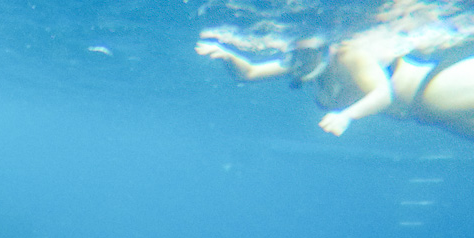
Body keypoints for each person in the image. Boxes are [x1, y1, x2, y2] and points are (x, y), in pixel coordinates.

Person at [196, 31, 474, 141]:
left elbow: (383, 94)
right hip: (425, 113)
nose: (301, 64)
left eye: (308, 54)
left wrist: (346, 115)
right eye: (297, 56)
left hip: (435, 89)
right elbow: (250, 73)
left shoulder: (347, 53)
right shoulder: (301, 62)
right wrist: (229, 55)